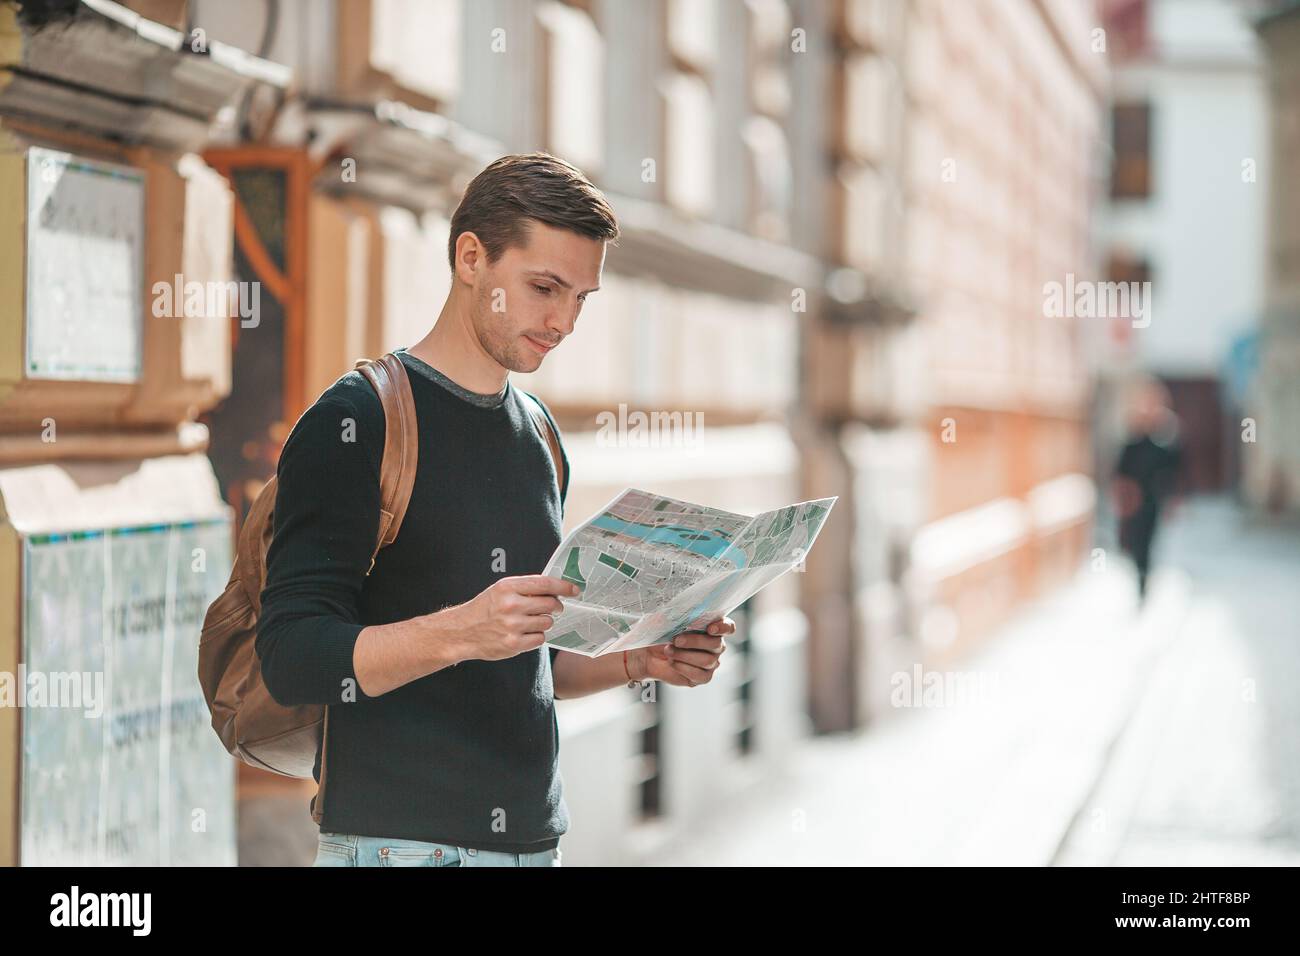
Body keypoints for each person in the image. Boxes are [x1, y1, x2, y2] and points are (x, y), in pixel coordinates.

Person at [255, 153, 734, 868]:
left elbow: (531, 664)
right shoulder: (359, 420)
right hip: (400, 847)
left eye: (580, 297)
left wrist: (641, 658)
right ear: (470, 258)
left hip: (534, 846)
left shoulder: (540, 433)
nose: (563, 320)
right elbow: (292, 658)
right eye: (545, 287)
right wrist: (463, 630)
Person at [1112, 379, 1183, 602]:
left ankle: (1144, 580)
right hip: (1134, 498)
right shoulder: (1133, 434)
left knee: (1148, 541)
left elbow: (1174, 466)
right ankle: (1140, 575)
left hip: (1154, 497)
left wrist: (1173, 497)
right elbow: (1122, 467)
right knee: (1134, 541)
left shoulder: (1165, 434)